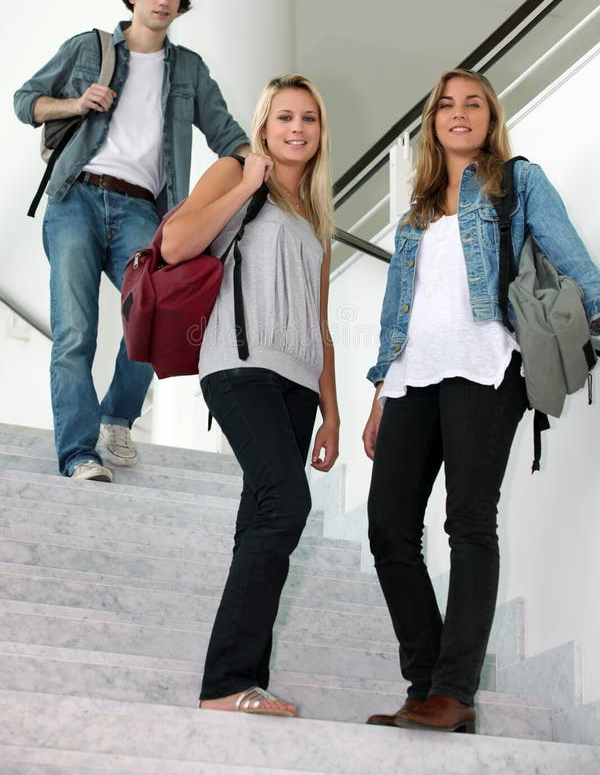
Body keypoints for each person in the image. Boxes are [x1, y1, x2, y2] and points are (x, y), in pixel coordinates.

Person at [362, 68, 600, 733]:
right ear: (431, 121)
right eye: (446, 105)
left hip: (487, 368)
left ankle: (452, 691)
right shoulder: (412, 215)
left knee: (468, 523)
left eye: (474, 104)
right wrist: (382, 391)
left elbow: (575, 262)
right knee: (387, 529)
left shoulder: (517, 182)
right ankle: (427, 682)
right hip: (412, 377)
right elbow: (395, 310)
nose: (459, 114)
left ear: (491, 119)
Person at [14, 0, 249, 483]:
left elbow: (229, 136)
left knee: (157, 316)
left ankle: (116, 419)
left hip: (144, 208)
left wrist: (257, 169)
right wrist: (75, 104)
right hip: (76, 197)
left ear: (180, 5)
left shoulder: (188, 69)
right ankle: (78, 453)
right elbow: (25, 101)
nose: (162, 0)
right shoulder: (88, 48)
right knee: (75, 332)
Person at [161, 74, 340, 717]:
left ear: (321, 133)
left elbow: (320, 324)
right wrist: (245, 183)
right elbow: (177, 243)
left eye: (310, 119)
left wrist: (333, 413)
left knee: (260, 520)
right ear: (265, 125)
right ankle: (225, 681)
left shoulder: (317, 217)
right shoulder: (235, 171)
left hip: (297, 383)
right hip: (239, 367)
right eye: (286, 117)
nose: (298, 128)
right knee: (285, 505)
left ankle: (243, 681)